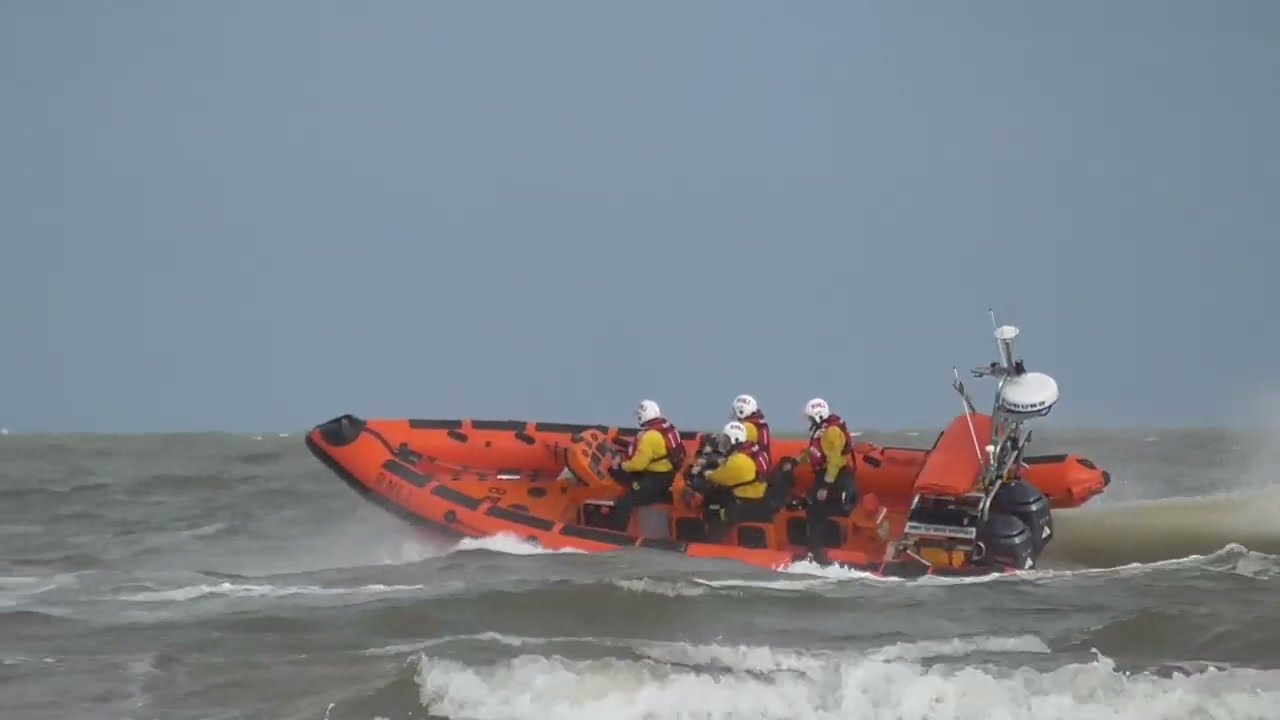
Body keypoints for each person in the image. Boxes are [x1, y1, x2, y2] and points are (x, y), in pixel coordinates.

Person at [609, 399, 686, 528]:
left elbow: (638, 465)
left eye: (639, 415)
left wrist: (619, 466)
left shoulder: (649, 437)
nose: (638, 417)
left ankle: (617, 535)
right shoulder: (666, 428)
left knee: (624, 503)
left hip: (656, 481)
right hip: (669, 474)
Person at [800, 397, 857, 563]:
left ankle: (817, 552)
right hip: (831, 476)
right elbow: (815, 453)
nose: (809, 421)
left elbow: (835, 461)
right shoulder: (824, 430)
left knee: (817, 511)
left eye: (810, 418)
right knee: (813, 507)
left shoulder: (831, 432)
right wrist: (797, 461)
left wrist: (825, 485)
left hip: (836, 479)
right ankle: (816, 549)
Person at [694, 420, 771, 541]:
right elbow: (724, 465)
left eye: (726, 439)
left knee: (712, 502)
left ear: (734, 440)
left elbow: (718, 477)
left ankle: (714, 540)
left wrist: (705, 473)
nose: (723, 443)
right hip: (755, 499)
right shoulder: (748, 454)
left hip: (744, 503)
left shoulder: (737, 460)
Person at [730, 394, 772, 470]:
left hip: (750, 466)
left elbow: (744, 449)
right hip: (762, 463)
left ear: (741, 410)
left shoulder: (747, 427)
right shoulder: (760, 424)